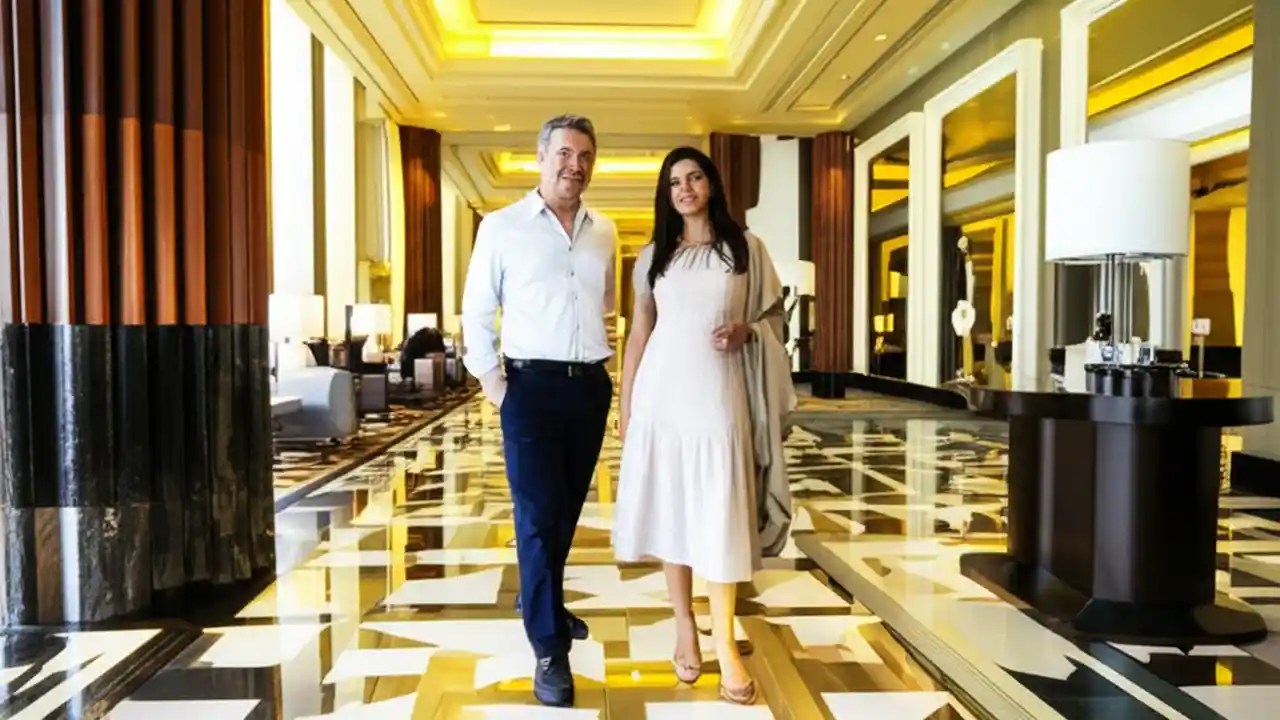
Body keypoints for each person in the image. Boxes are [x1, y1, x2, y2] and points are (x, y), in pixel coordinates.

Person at [613, 146, 795, 706]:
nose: (685, 188)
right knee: (674, 510)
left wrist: (747, 332)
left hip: (719, 394)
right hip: (662, 395)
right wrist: (626, 401)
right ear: (667, 195)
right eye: (674, 183)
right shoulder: (654, 257)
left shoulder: (745, 250)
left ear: (712, 184)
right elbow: (640, 331)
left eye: (694, 178)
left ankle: (728, 647)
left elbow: (773, 321)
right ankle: (685, 628)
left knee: (720, 514)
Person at [461, 114, 616, 708]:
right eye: (565, 154)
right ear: (541, 156)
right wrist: (496, 386)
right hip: (530, 387)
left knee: (566, 509)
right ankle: (550, 648)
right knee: (535, 511)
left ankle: (538, 595)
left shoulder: (604, 230)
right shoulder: (501, 228)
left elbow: (601, 301)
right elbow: (476, 313)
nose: (575, 165)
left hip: (589, 388)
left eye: (585, 156)